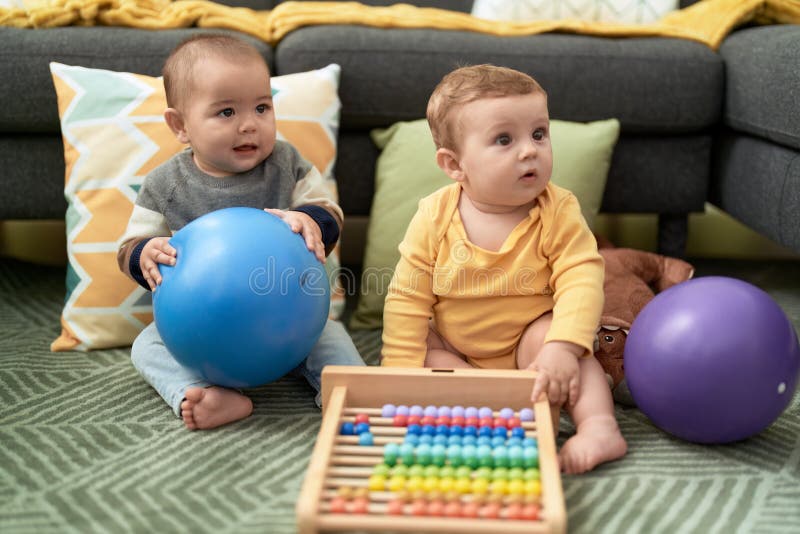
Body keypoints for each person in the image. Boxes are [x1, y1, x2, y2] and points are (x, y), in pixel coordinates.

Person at [381, 64, 627, 474]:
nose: (530, 150)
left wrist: (562, 348)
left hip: (530, 348)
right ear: (454, 164)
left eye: (539, 134)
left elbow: (582, 279)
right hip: (458, 350)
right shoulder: (434, 216)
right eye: (503, 139)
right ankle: (490, 408)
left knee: (566, 341)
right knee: (421, 348)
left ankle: (599, 427)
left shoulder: (558, 210)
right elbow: (408, 297)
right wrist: (398, 373)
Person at [118, 34, 364, 431]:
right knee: (146, 347)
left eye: (262, 107)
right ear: (180, 125)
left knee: (330, 337)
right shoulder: (164, 185)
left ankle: (347, 392)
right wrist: (144, 254)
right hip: (201, 331)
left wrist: (310, 220)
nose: (249, 125)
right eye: (227, 112)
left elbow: (328, 211)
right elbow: (130, 246)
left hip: (291, 317)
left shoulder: (286, 163)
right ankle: (201, 392)